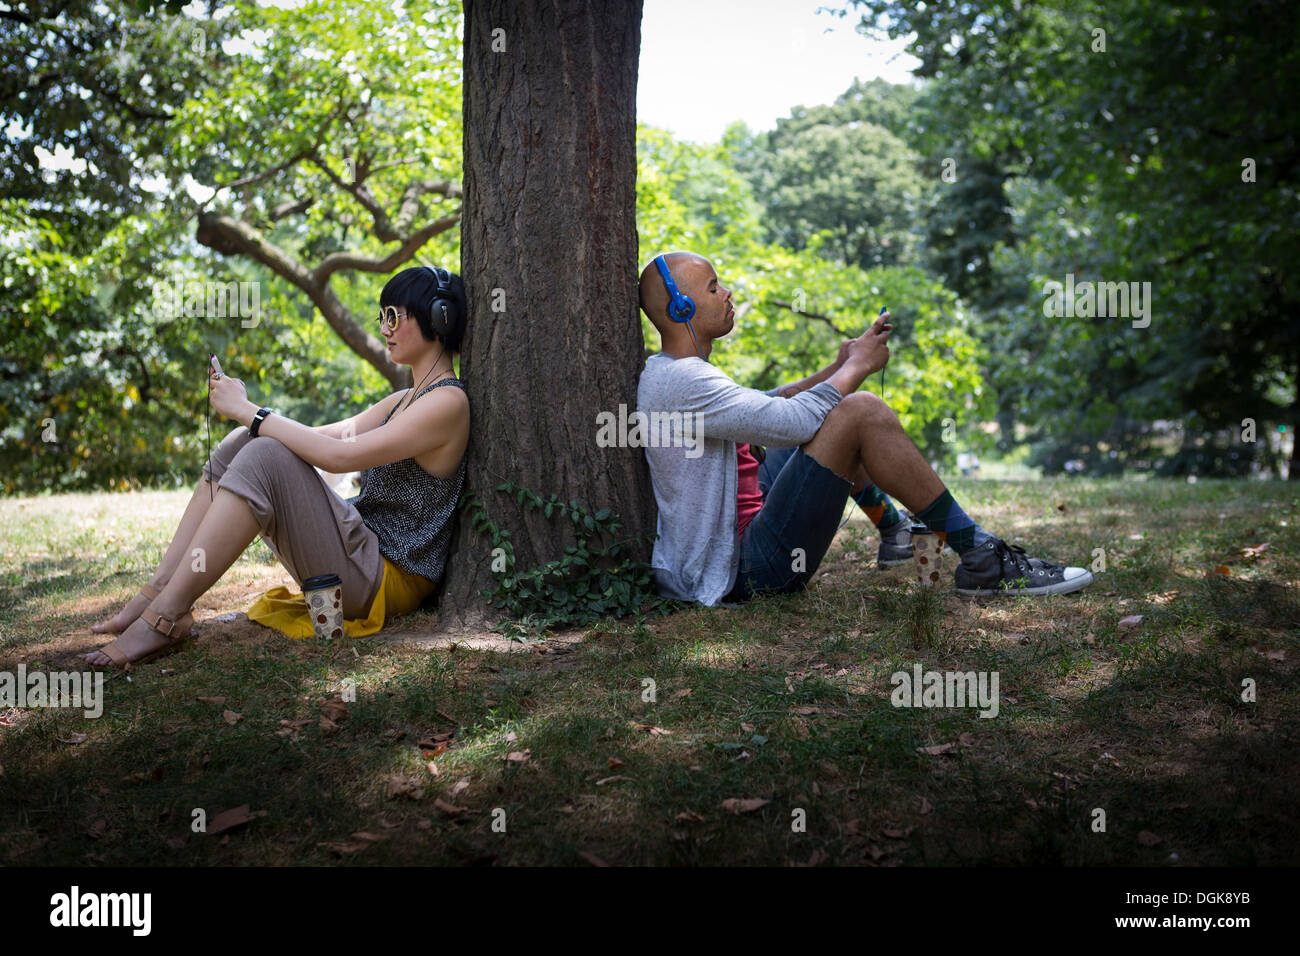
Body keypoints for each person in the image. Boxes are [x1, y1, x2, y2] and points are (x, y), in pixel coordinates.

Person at [636, 251, 1093, 606]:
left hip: (742, 530)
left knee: (833, 407)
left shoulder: (676, 371)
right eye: (714, 288)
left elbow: (766, 407)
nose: (727, 293)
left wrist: (834, 368)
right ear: (681, 306)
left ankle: (894, 533)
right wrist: (855, 368)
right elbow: (793, 422)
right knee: (859, 411)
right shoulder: (683, 380)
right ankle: (981, 557)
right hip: (742, 571)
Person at [85, 265, 471, 667]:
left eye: (395, 315)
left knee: (263, 450)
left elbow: (339, 458)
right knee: (247, 441)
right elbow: (321, 438)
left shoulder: (447, 403)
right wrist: (250, 418)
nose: (384, 327)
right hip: (359, 554)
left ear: (439, 317)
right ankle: (159, 593)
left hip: (383, 580)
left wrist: (251, 412)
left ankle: (163, 619)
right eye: (382, 315)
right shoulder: (404, 399)